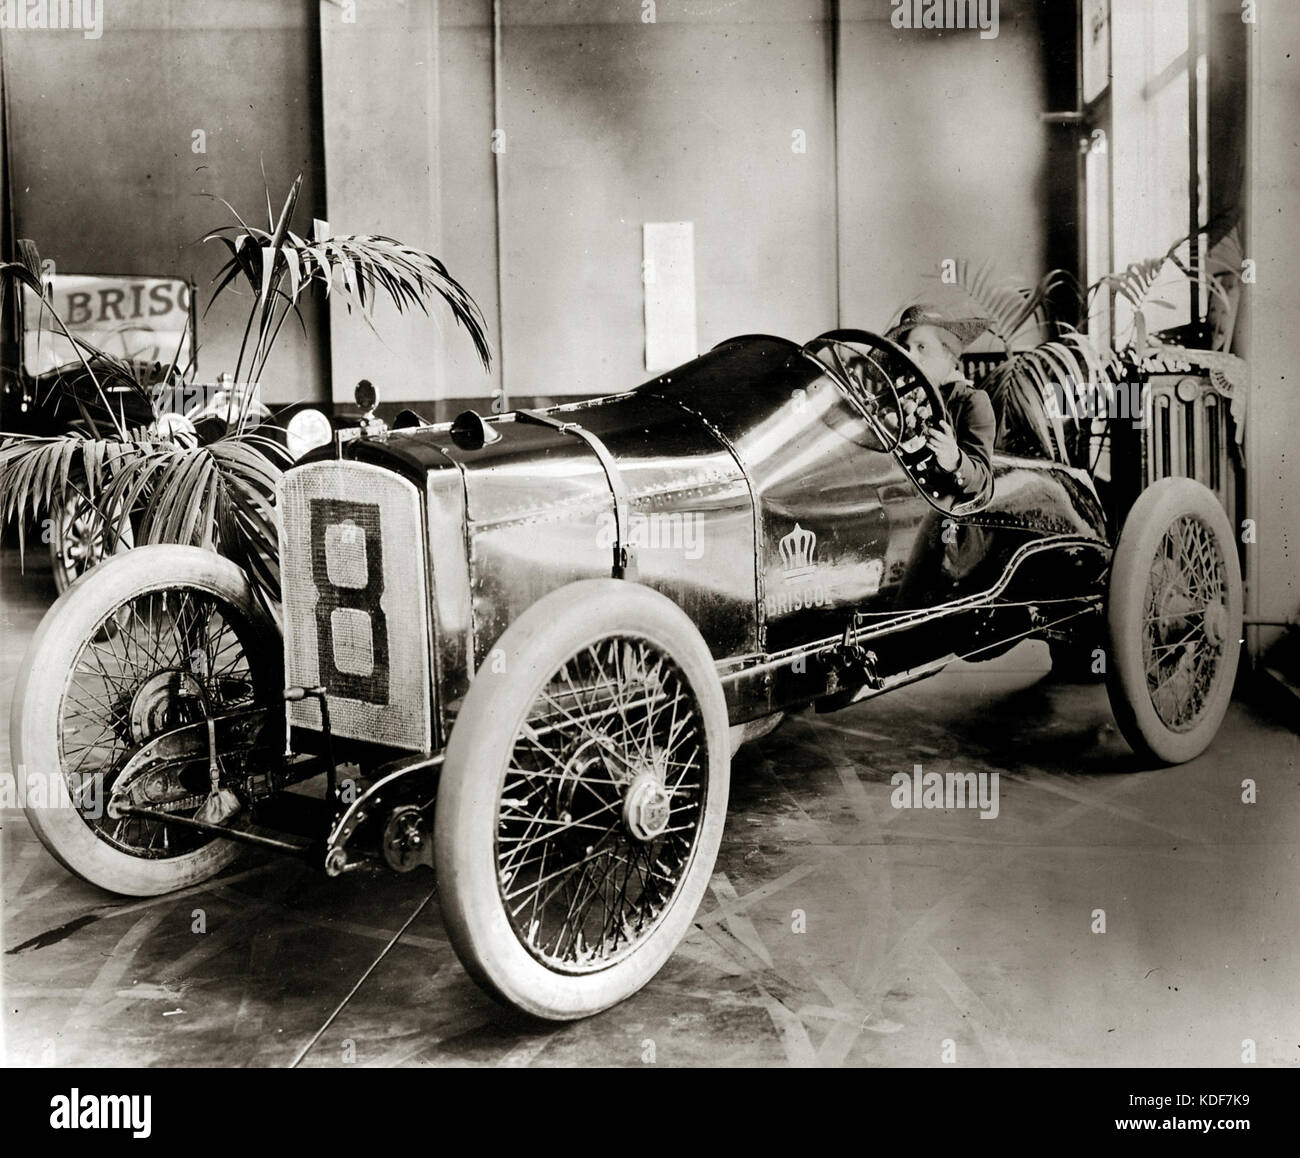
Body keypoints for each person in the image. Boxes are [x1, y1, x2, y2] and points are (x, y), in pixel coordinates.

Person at [884, 304, 997, 504]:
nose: (911, 357)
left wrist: (954, 460)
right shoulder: (891, 398)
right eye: (906, 348)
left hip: (945, 521)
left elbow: (983, 484)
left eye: (922, 347)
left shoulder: (970, 401)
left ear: (947, 354)